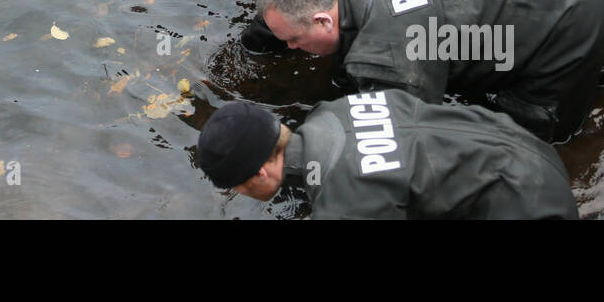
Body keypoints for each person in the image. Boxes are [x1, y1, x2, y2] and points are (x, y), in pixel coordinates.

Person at [256, 0, 604, 143]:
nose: (291, 48)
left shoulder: (392, 58)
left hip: (565, 21)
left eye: (294, 39)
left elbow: (413, 137)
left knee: (531, 137)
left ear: (323, 21)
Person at [196, 92, 580, 218]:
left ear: (260, 174)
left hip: (535, 204)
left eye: (237, 187)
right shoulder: (335, 111)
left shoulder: (341, 202)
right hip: (529, 147)